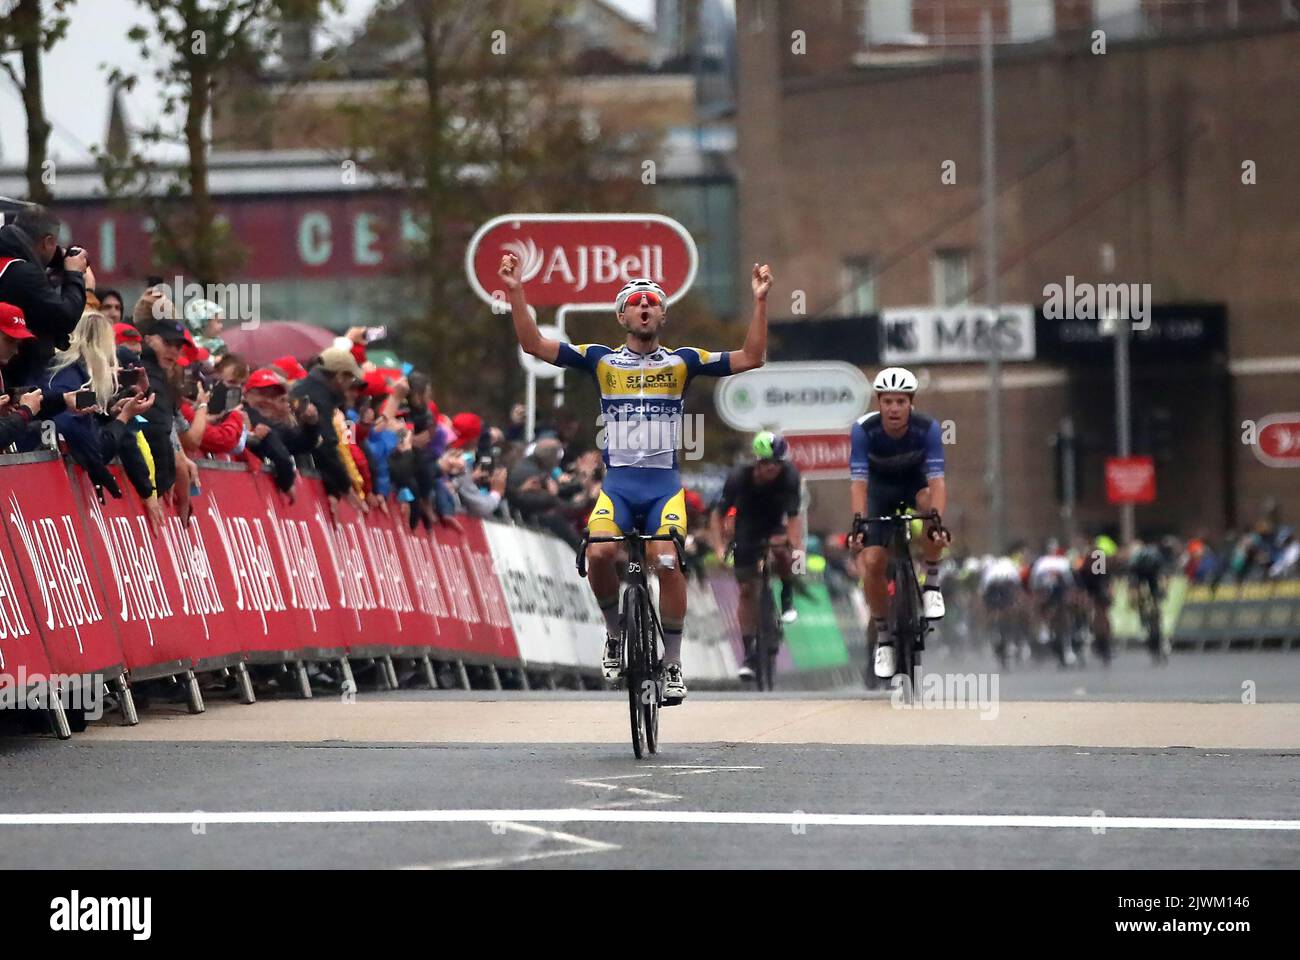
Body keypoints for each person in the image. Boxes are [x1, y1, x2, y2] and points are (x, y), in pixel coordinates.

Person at [501, 254, 771, 703]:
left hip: (663, 488)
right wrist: (515, 291)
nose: (644, 306)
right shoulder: (601, 360)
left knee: (665, 560)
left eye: (653, 302)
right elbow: (534, 345)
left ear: (662, 316)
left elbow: (751, 357)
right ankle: (613, 634)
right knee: (600, 552)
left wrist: (760, 301)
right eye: (635, 302)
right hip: (619, 488)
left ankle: (673, 663)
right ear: (622, 316)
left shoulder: (684, 362)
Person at [848, 366, 952, 680]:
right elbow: (858, 484)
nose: (894, 408)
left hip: (915, 484)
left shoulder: (927, 428)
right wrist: (859, 524)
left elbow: (937, 481)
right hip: (880, 490)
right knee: (872, 561)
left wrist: (937, 521)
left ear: (911, 403)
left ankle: (931, 582)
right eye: (888, 401)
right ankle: (883, 639)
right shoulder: (863, 430)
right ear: (878, 403)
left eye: (901, 402)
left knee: (929, 509)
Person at [712, 431, 804, 681]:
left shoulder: (790, 476)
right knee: (746, 590)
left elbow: (794, 517)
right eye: (765, 463)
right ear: (756, 462)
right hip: (747, 527)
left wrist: (793, 545)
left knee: (784, 553)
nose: (771, 468)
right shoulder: (738, 477)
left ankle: (786, 595)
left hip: (774, 525)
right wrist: (719, 547)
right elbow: (717, 515)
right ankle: (749, 653)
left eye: (776, 463)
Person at [0, 204, 91, 387]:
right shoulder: (24, 274)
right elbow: (64, 317)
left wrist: (58, 257)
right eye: (54, 244)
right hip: (20, 378)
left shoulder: (8, 264)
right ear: (48, 241)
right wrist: (74, 275)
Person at [291, 347, 365, 510]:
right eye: (351, 379)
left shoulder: (306, 388)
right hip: (299, 473)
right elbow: (325, 445)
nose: (350, 385)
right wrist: (345, 486)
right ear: (340, 377)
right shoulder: (320, 398)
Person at [244, 368, 320, 496]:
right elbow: (280, 453)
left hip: (257, 488)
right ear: (248, 394)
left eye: (273, 394)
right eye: (263, 392)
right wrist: (287, 482)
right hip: (243, 486)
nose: (268, 399)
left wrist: (311, 424)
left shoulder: (274, 423)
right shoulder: (242, 413)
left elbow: (302, 444)